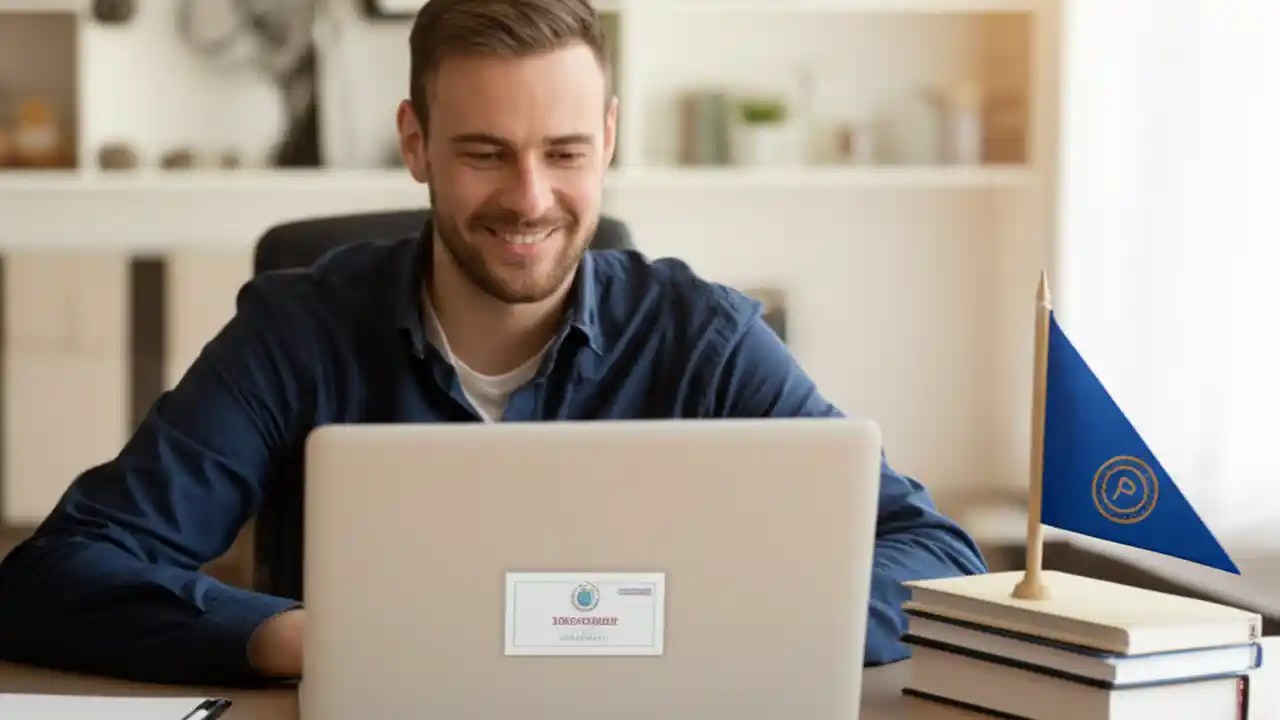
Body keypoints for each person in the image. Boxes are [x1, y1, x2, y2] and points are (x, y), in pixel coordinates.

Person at [0, 0, 986, 686]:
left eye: (562, 153)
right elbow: (57, 576)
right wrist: (291, 638)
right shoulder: (295, 331)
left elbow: (935, 558)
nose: (528, 199)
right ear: (416, 142)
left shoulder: (703, 336)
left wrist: (689, 633)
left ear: (606, 138)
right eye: (482, 153)